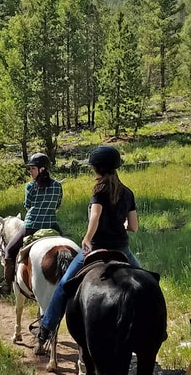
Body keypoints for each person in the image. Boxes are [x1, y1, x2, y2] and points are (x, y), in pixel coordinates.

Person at [33, 145, 139, 353]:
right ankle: (158, 328)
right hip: (122, 249)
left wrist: (87, 238)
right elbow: (133, 226)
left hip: (96, 249)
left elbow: (95, 216)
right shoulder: (128, 193)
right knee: (148, 280)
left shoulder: (99, 191)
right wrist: (123, 225)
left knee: (64, 285)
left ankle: (46, 328)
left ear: (97, 169)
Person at [0, 153, 64, 296]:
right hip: (51, 225)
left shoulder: (30, 186)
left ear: (42, 169)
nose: (30, 171)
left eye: (32, 168)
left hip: (31, 225)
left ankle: (7, 285)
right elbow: (57, 205)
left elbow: (27, 205)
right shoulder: (58, 186)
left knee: (8, 252)